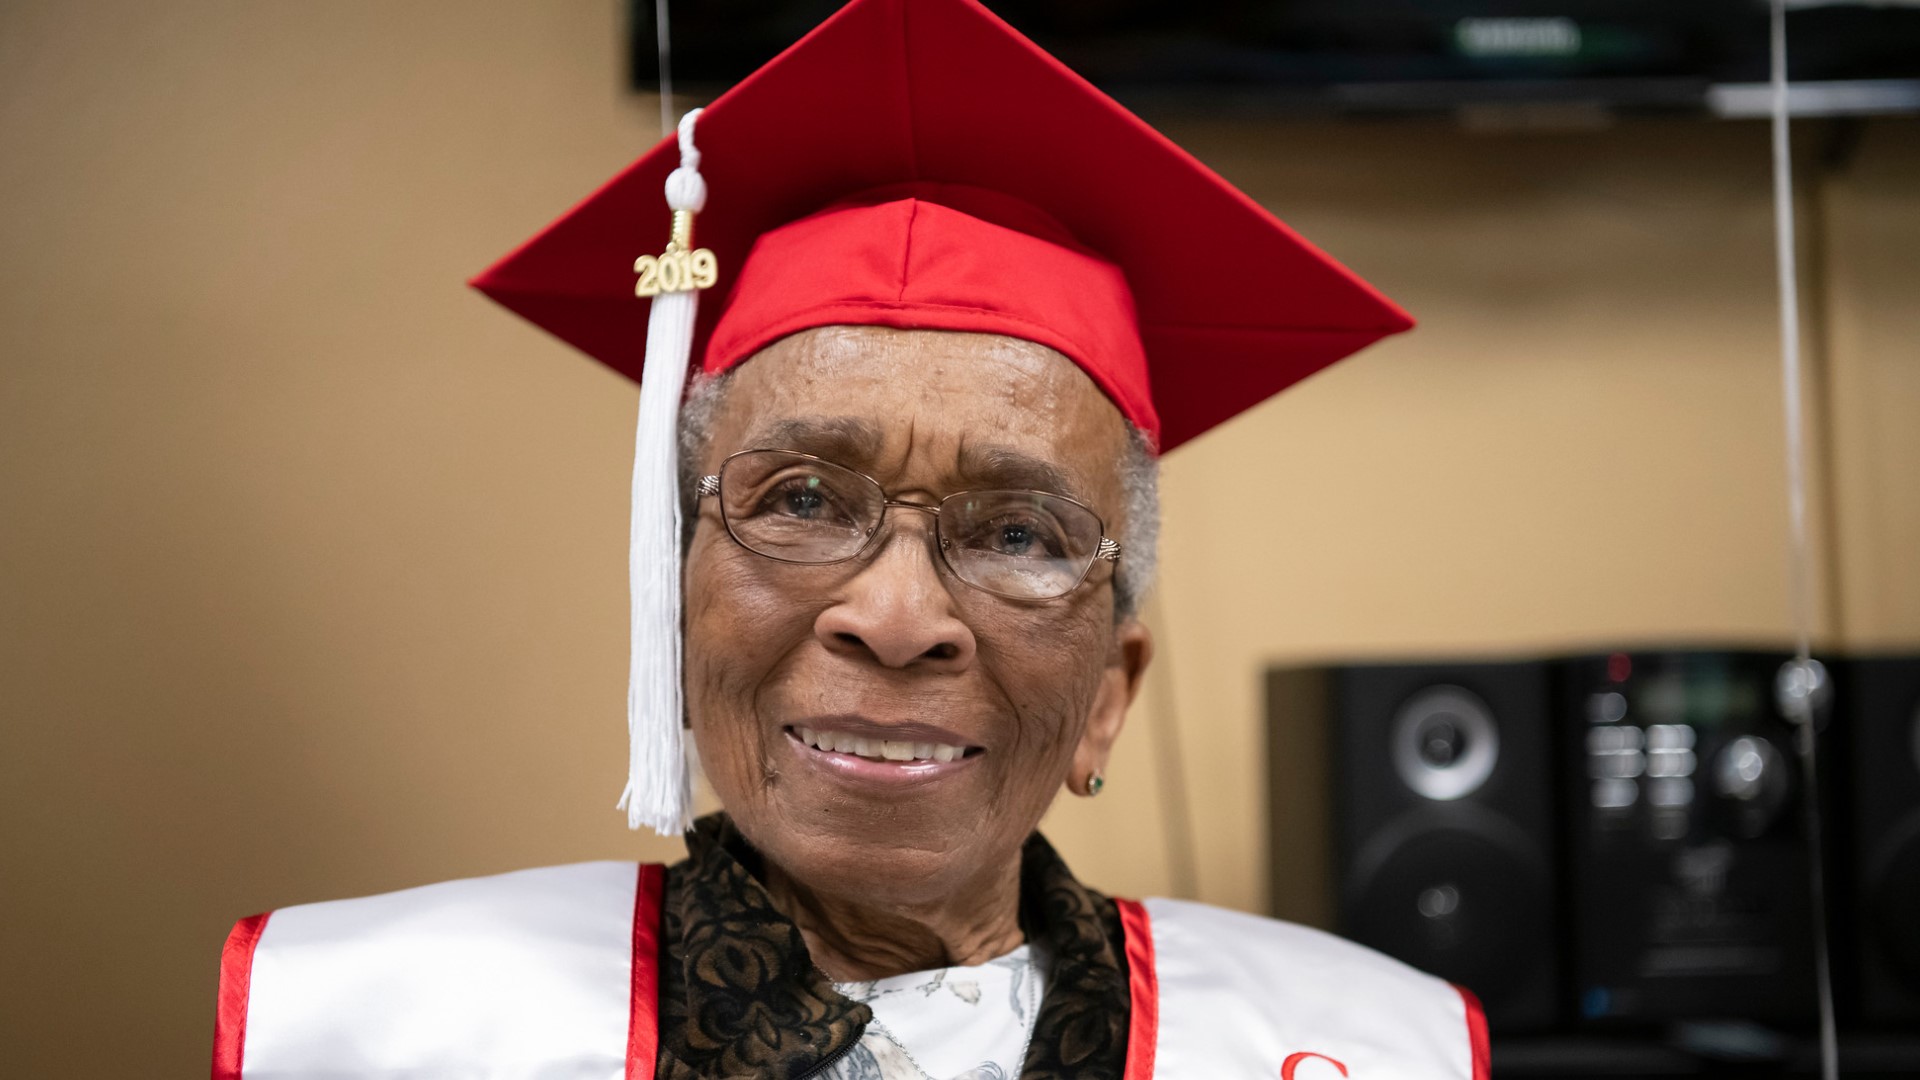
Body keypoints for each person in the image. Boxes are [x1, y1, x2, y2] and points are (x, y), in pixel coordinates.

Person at [210, 1, 1486, 1077]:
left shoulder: (1359, 1048)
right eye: (803, 502)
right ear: (677, 601)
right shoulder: (377, 1030)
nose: (894, 616)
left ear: (1109, 693)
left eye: (1020, 532)